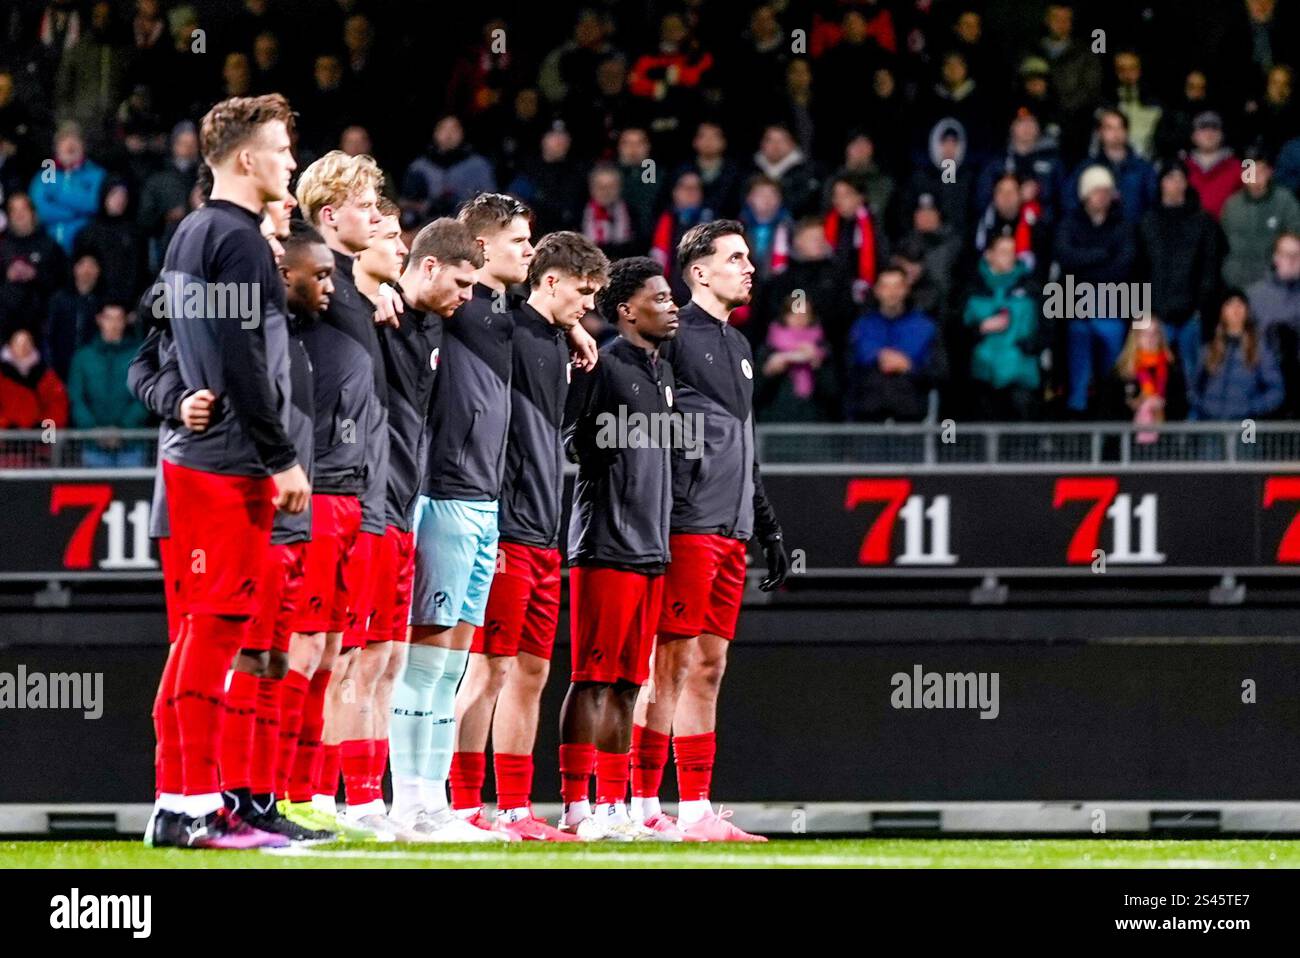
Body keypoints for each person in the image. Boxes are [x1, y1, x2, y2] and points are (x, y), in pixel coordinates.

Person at [152, 93, 309, 849]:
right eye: (281, 150)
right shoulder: (238, 238)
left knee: (196, 636)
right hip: (228, 467)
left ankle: (178, 800)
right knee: (213, 636)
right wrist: (281, 457)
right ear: (246, 159)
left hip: (199, 463)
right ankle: (190, 807)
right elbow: (243, 358)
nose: (291, 162)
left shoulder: (191, 232)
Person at [630, 221, 787, 842]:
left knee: (709, 667)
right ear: (699, 272)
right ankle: (643, 807)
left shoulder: (742, 346)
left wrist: (767, 525)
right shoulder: (668, 335)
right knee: (667, 664)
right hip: (687, 526)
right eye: (736, 258)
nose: (750, 268)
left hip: (731, 528)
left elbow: (741, 444)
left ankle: (694, 809)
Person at [450, 232, 608, 842]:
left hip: (547, 528)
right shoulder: (501, 324)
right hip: (506, 525)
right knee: (486, 670)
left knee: (531, 674)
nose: (588, 306)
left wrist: (569, 329)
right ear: (548, 282)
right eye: (583, 293)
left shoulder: (553, 337)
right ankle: (463, 807)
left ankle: (515, 808)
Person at [279, 150, 387, 841]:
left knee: (332, 652)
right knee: (301, 648)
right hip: (314, 487)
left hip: (353, 488)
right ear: (327, 215)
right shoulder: (309, 280)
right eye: (366, 207)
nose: (376, 217)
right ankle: (272, 792)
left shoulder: (352, 284)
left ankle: (303, 791)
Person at [560, 255, 679, 841]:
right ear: (628, 311)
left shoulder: (663, 374)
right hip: (605, 543)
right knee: (593, 678)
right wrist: (600, 446)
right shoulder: (601, 365)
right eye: (660, 298)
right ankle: (574, 806)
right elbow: (570, 436)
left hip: (650, 546)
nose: (672, 305)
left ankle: (613, 805)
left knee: (631, 681)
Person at [1056, 164, 1137, 414]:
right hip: (1076, 302)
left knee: (1111, 341)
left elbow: (1123, 266)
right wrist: (1102, 254)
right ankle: (1077, 407)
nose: (1102, 196)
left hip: (1112, 300)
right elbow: (1065, 257)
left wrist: (1086, 266)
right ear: (1085, 194)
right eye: (1096, 191)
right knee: (1078, 338)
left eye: (1106, 191)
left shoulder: (1122, 224)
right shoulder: (1070, 223)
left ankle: (1110, 403)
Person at [1137, 158, 1222, 384]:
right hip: (1157, 314)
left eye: (1179, 178)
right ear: (1161, 183)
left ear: (1186, 183)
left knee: (1194, 375)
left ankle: (1195, 417)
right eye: (1169, 178)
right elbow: (1141, 269)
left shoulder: (1203, 222)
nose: (1175, 183)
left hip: (1191, 314)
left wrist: (1200, 308)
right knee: (1153, 376)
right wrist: (1146, 312)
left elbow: (1209, 269)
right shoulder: (1148, 221)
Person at [844, 266, 939, 422]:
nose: (892, 293)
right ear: (877, 291)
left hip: (910, 414)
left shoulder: (925, 326)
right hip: (869, 414)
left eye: (897, 286)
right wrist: (877, 359)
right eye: (886, 286)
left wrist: (909, 367)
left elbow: (940, 371)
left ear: (906, 289)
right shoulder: (862, 326)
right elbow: (848, 368)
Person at [963, 235, 1041, 420]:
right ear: (989, 255)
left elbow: (1046, 329)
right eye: (1004, 252)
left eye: (1013, 253)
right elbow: (958, 331)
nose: (1010, 257)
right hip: (981, 372)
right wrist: (980, 329)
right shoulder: (972, 287)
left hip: (1020, 371)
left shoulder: (1031, 288)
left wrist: (1028, 347)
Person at [66, 300, 148, 464]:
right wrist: (93, 430)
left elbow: (144, 395)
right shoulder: (84, 357)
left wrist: (123, 429)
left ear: (125, 321)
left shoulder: (139, 355)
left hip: (132, 443)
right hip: (93, 446)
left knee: (133, 490)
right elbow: (76, 398)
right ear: (99, 320)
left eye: (118, 318)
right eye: (108, 318)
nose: (113, 324)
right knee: (95, 489)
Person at [1190, 291, 1284, 420]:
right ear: (1222, 311)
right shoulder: (1209, 348)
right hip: (1211, 424)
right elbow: (1195, 387)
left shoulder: (1260, 348)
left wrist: (1251, 408)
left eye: (1240, 304)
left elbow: (1276, 390)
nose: (1236, 309)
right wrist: (1205, 406)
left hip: (1246, 425)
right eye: (1230, 304)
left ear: (1247, 311)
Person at [1221, 146, 1300, 291]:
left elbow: (1295, 235)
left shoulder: (1285, 201)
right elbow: (1222, 244)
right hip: (1235, 284)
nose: (1255, 176)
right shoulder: (1232, 205)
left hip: (1274, 283)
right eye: (1250, 171)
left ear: (1270, 172)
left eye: (1261, 170)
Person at [754, 294, 836, 422]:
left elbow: (833, 394)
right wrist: (768, 372)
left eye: (805, 313)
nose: (799, 318)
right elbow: (754, 394)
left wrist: (818, 365)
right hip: (776, 422)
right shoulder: (768, 349)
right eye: (794, 313)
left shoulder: (822, 349)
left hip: (814, 422)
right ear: (784, 316)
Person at [1102, 318, 1188, 438]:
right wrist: (1134, 406)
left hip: (1166, 443)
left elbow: (1182, 408)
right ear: (1135, 338)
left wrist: (1162, 406)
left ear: (1161, 337)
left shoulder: (1172, 369)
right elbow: (1108, 413)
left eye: (1155, 333)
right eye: (1144, 334)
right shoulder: (1121, 372)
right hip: (1127, 443)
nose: (1150, 339)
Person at [28, 123, 106, 253]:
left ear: (83, 145)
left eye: (75, 139)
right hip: (48, 248)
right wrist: (77, 213)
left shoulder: (96, 174)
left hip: (85, 249)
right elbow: (39, 211)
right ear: (56, 148)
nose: (70, 144)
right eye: (64, 140)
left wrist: (57, 195)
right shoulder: (46, 174)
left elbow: (93, 204)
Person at [1248, 232, 1300, 414]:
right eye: (1287, 255)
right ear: (1276, 258)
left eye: (1297, 255)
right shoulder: (1255, 295)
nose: (1292, 261)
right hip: (1264, 376)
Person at [0, 323, 68, 429]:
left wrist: (43, 427)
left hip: (38, 441)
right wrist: (6, 426)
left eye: (27, 342)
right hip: (5, 441)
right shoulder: (2, 376)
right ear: (9, 345)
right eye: (18, 342)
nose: (23, 347)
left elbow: (58, 406)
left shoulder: (47, 376)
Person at [1184, 112, 1241, 221]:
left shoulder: (1239, 167)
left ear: (1222, 135)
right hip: (1191, 232)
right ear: (1193, 136)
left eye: (1214, 128)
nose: (1209, 133)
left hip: (1226, 232)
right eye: (1203, 128)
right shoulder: (1182, 168)